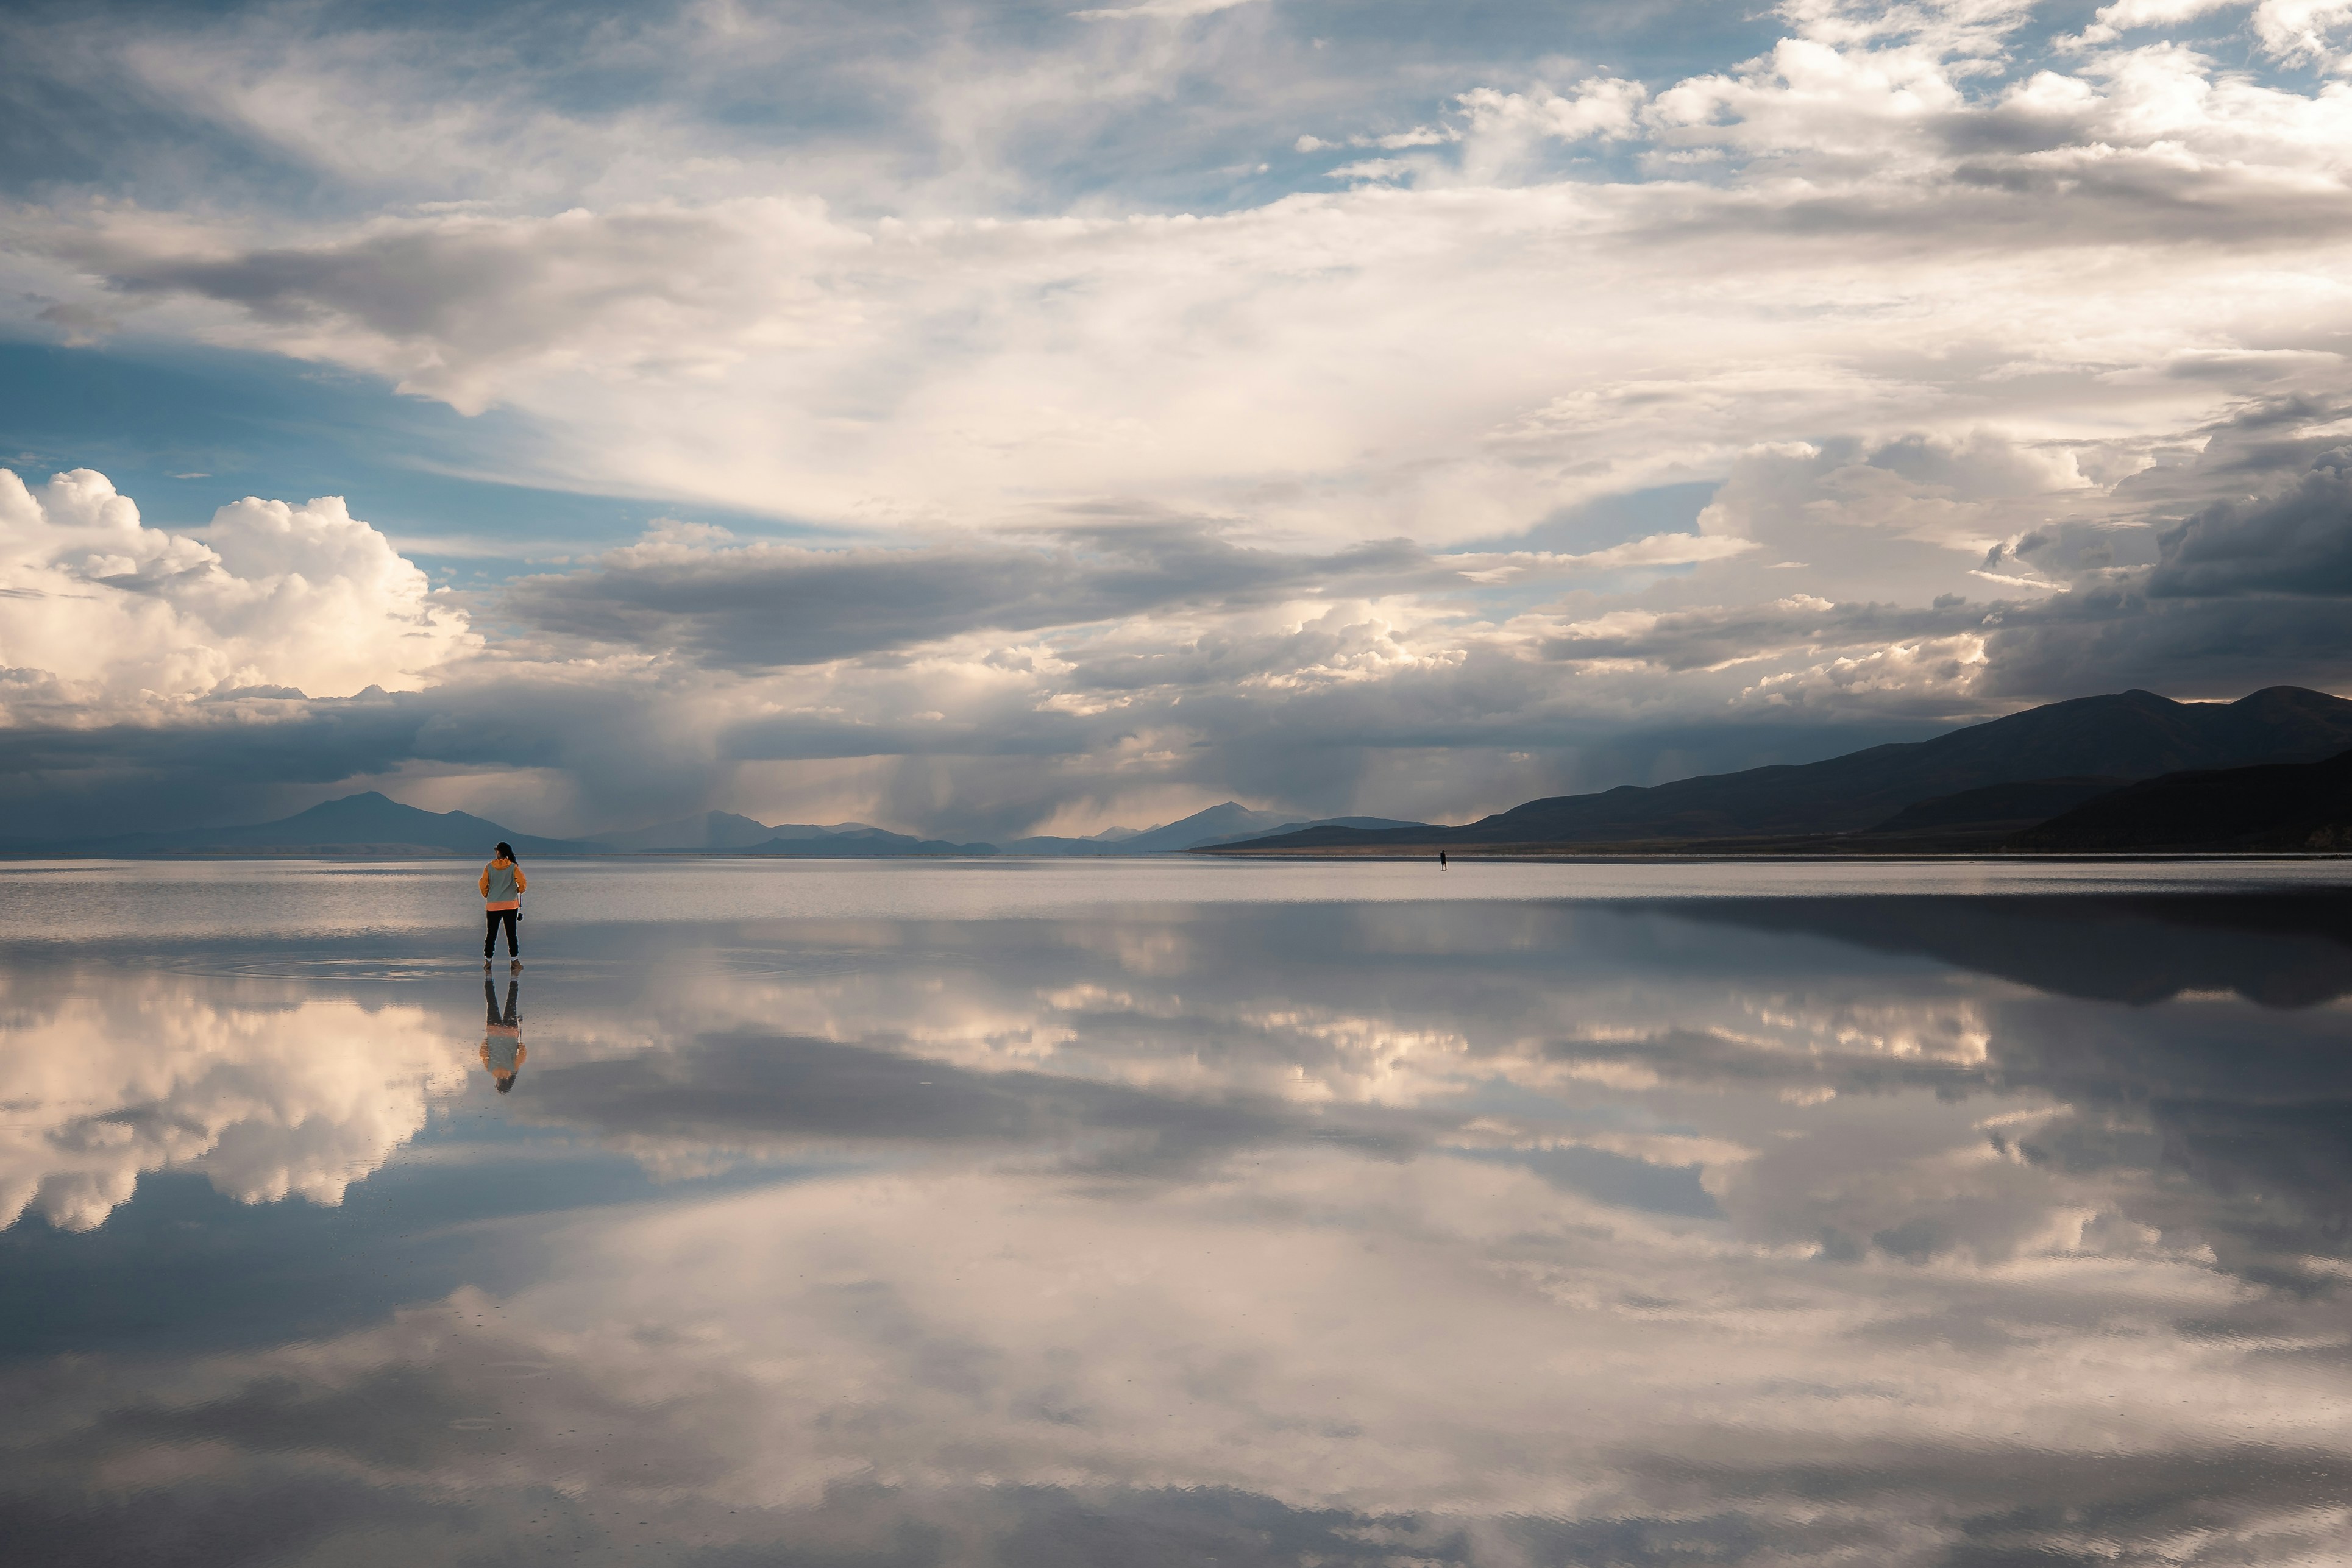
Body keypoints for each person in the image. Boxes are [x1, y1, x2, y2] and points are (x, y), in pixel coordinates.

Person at [480, 841, 526, 970]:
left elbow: (483, 884)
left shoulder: (489, 867)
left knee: (491, 934)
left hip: (493, 906)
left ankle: (488, 963)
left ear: (498, 852)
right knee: (511, 935)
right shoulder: (513, 867)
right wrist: (519, 890)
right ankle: (515, 963)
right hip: (510, 906)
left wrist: (487, 895)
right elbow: (522, 883)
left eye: (496, 850)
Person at [481, 976, 525, 1093]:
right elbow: (483, 1052)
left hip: (511, 1031)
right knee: (491, 1002)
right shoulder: (490, 1069)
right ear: (498, 1082)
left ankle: (514, 978)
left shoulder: (513, 1068)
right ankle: (488, 978)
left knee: (512, 1001)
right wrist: (487, 1040)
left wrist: (520, 1044)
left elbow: (523, 1054)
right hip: (494, 1030)